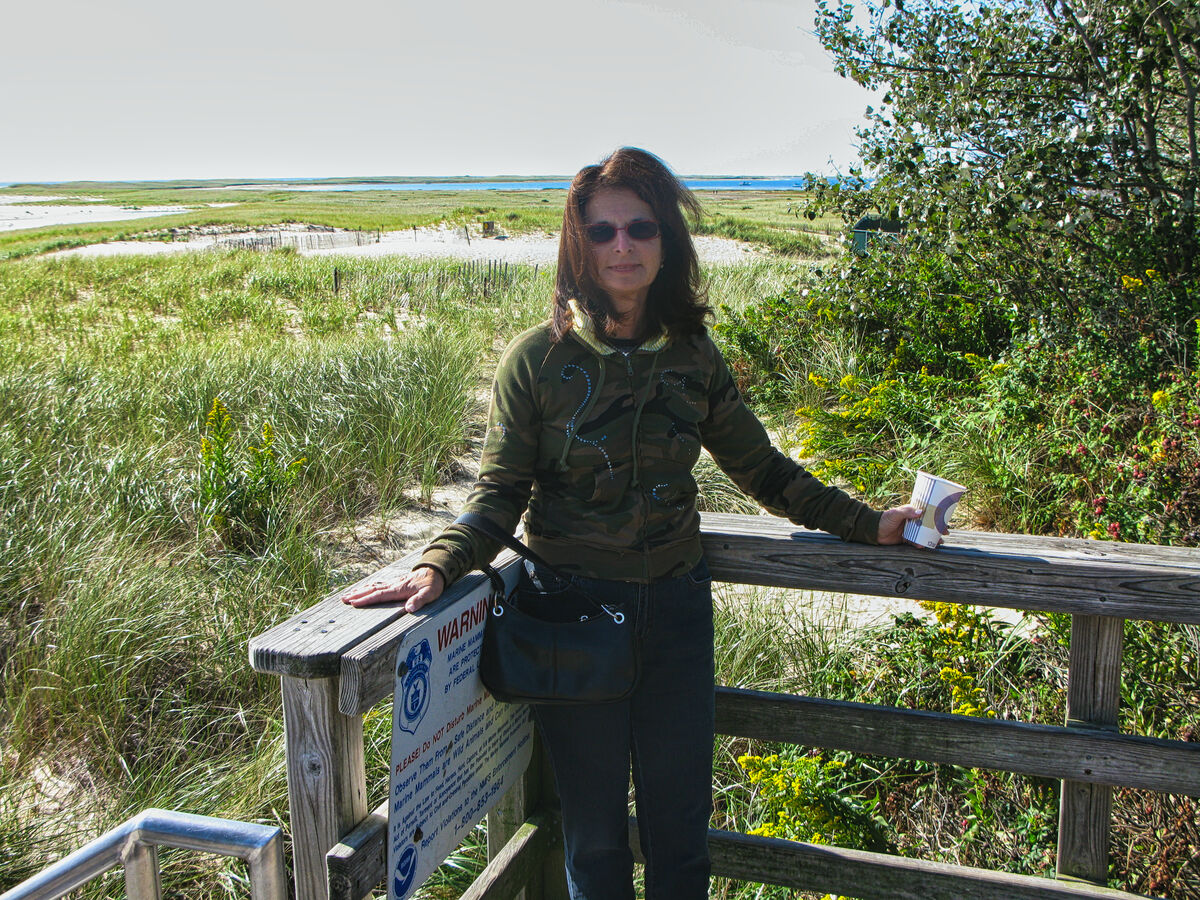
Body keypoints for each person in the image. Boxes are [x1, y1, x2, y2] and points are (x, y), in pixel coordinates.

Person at [341, 147, 926, 899]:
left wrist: (867, 523)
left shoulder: (692, 356)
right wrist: (437, 565)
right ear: (578, 242)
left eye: (642, 228)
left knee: (681, 835)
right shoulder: (538, 360)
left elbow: (767, 472)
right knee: (593, 842)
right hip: (573, 619)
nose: (623, 246)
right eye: (604, 230)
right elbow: (497, 494)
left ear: (666, 241)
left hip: (675, 613)